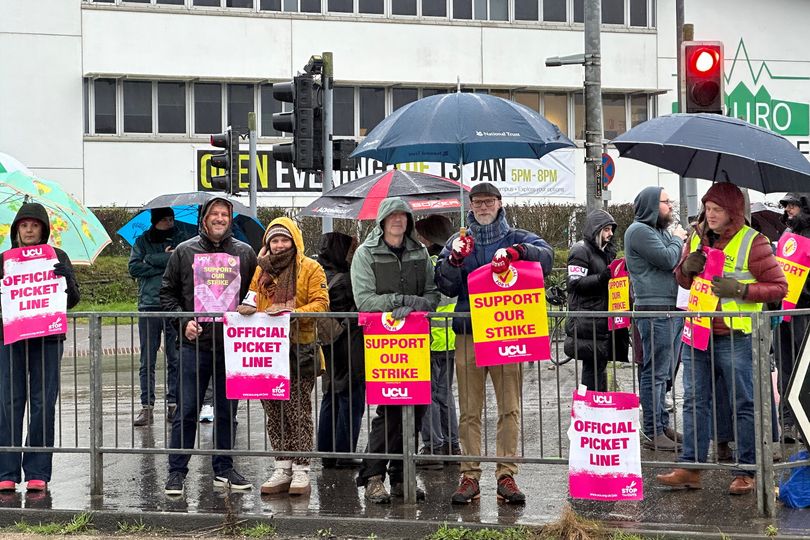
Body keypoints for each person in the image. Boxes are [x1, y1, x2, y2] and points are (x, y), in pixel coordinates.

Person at [657, 182, 787, 495]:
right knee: (694, 402)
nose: (710, 215)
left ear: (733, 212)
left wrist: (741, 290)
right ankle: (691, 467)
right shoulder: (697, 236)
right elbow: (683, 278)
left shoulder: (753, 242)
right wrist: (686, 268)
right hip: (698, 333)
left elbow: (779, 287)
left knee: (744, 403)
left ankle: (746, 471)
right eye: (708, 209)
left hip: (736, 336)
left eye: (717, 210)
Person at [435, 183, 553, 505]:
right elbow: (444, 285)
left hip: (506, 336)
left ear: (500, 204)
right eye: (477, 202)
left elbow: (547, 258)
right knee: (469, 411)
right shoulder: (458, 242)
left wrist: (520, 253)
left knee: (509, 408)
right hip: (469, 334)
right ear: (470, 206)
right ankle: (469, 476)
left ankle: (506, 475)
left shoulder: (517, 236)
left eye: (489, 201)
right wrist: (454, 261)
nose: (483, 207)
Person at [160, 197, 257, 497]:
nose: (219, 218)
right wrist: (183, 320)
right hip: (193, 345)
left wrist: (250, 306)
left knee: (228, 411)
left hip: (231, 346)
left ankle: (224, 468)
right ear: (204, 219)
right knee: (187, 411)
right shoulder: (184, 251)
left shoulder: (244, 253)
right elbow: (167, 295)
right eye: (213, 214)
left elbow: (256, 292)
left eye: (224, 214)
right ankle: (176, 472)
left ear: (230, 219)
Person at [351, 197, 439, 504]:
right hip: (383, 344)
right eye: (393, 216)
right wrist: (399, 301)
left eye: (403, 216)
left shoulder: (421, 251)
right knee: (388, 411)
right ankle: (373, 476)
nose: (398, 220)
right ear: (383, 221)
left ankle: (403, 475)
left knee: (416, 408)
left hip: (415, 342)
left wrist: (421, 303)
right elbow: (364, 300)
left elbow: (431, 293)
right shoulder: (366, 253)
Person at [237, 218, 329, 497]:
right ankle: (282, 464)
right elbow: (253, 298)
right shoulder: (261, 269)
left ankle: (301, 468)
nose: (279, 245)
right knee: (273, 411)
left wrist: (290, 312)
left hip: (300, 349)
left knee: (298, 410)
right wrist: (246, 307)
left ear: (295, 241)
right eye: (274, 240)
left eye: (284, 240)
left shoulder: (311, 268)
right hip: (267, 352)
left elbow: (322, 305)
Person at [0, 202, 80, 492]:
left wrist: (66, 279)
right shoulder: (3, 260)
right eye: (24, 225)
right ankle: (6, 471)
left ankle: (38, 472)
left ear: (43, 229)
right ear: (16, 230)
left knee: (43, 404)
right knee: (9, 403)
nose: (29, 229)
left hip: (47, 340)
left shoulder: (57, 256)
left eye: (35, 225)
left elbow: (72, 300)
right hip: (11, 339)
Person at [624, 187, 687, 451]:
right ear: (651, 205)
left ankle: (661, 424)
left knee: (665, 371)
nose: (670, 205)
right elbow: (667, 258)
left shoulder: (659, 231)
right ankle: (652, 431)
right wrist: (678, 239)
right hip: (654, 309)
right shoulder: (639, 231)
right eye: (665, 202)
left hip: (670, 307)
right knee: (655, 372)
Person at [128, 207, 185, 426]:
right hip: (149, 305)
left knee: (175, 357)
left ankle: (173, 404)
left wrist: (151, 260)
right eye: (165, 220)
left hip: (173, 305)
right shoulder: (143, 241)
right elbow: (134, 268)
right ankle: (147, 407)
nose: (170, 222)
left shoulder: (181, 237)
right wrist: (162, 259)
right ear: (156, 221)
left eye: (171, 218)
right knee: (147, 360)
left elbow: (182, 265)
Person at [314, 232, 366, 470]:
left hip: (328, 343)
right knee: (351, 397)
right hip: (350, 343)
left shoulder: (320, 274)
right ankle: (345, 452)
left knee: (330, 395)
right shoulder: (346, 279)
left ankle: (326, 452)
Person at [414, 214, 461, 467]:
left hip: (430, 335)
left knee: (428, 394)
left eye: (422, 233)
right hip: (450, 335)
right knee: (445, 393)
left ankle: (433, 446)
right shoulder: (453, 259)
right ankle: (453, 444)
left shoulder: (429, 262)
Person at [564, 209, 630, 391]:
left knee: (598, 367)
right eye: (606, 229)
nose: (610, 234)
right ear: (596, 229)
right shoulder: (580, 250)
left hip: (598, 321)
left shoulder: (604, 252)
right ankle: (589, 408)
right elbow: (573, 283)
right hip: (588, 321)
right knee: (591, 369)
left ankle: (596, 408)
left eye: (611, 230)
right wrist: (602, 278)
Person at [775, 192, 810, 444]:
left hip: (804, 311)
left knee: (804, 369)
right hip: (784, 312)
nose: (788, 209)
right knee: (785, 366)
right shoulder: (787, 236)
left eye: (793, 205)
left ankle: (803, 421)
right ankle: (787, 421)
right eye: (786, 205)